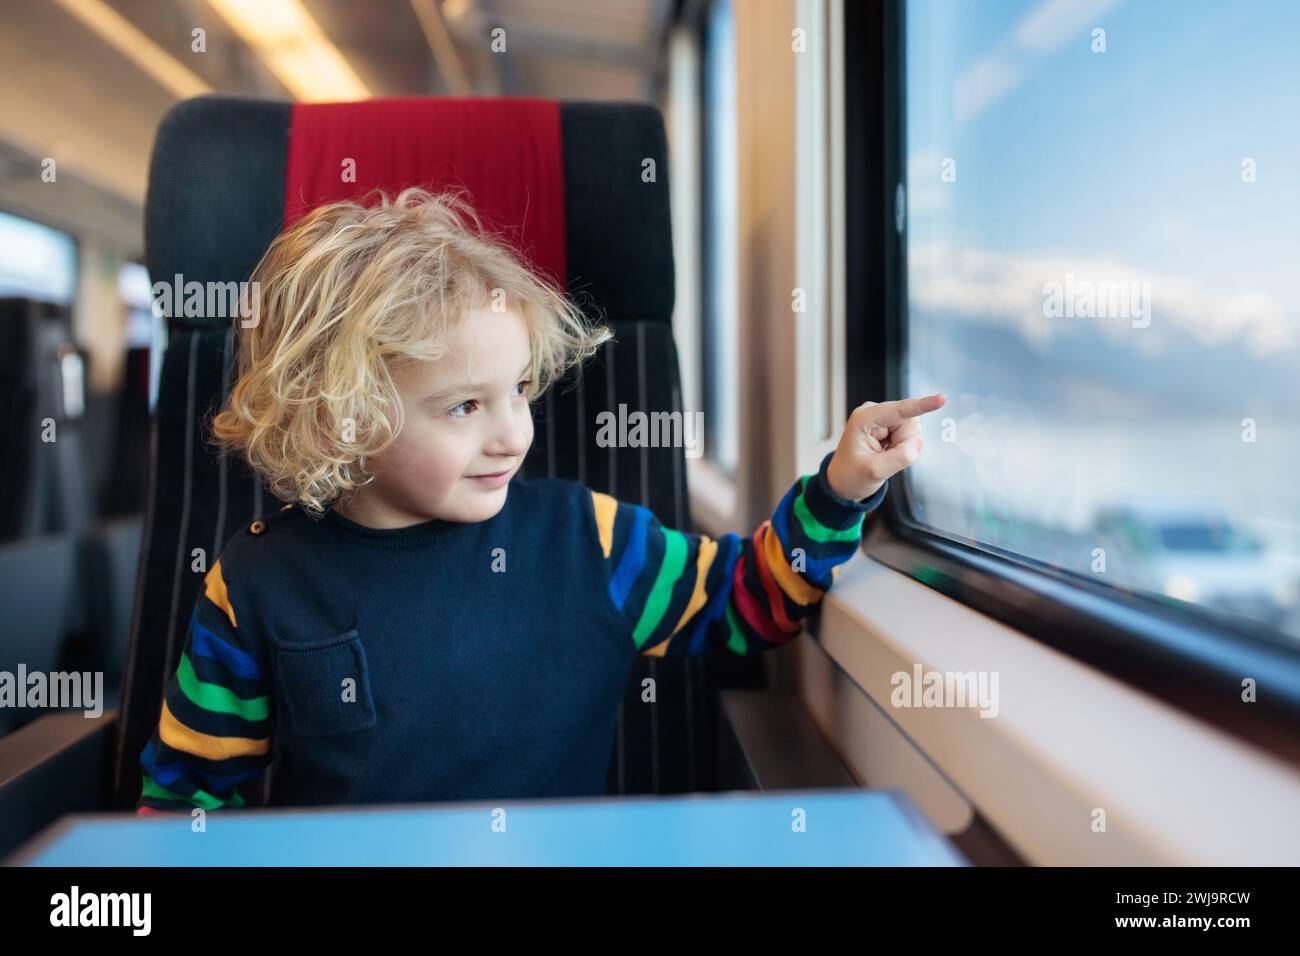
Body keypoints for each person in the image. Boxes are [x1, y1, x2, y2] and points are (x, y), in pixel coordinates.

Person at [135, 186, 945, 813]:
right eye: (464, 407)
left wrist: (842, 489)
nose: (513, 436)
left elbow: (752, 600)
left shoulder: (586, 540)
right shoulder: (255, 583)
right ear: (343, 417)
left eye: (518, 391)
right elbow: (189, 801)